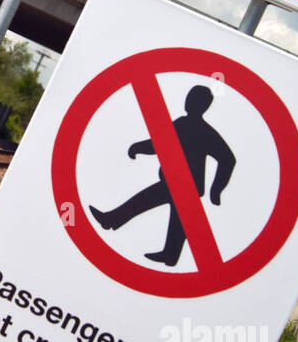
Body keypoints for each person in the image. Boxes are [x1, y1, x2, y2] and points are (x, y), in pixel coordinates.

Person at [88, 84, 235, 266]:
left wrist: (216, 191)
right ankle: (170, 255)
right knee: (179, 221)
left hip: (180, 184)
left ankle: (111, 219)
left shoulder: (197, 129)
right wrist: (139, 147)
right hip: (180, 183)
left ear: (200, 105)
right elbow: (161, 142)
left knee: (145, 201)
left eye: (192, 99)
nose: (188, 101)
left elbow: (228, 159)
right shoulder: (191, 126)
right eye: (189, 97)